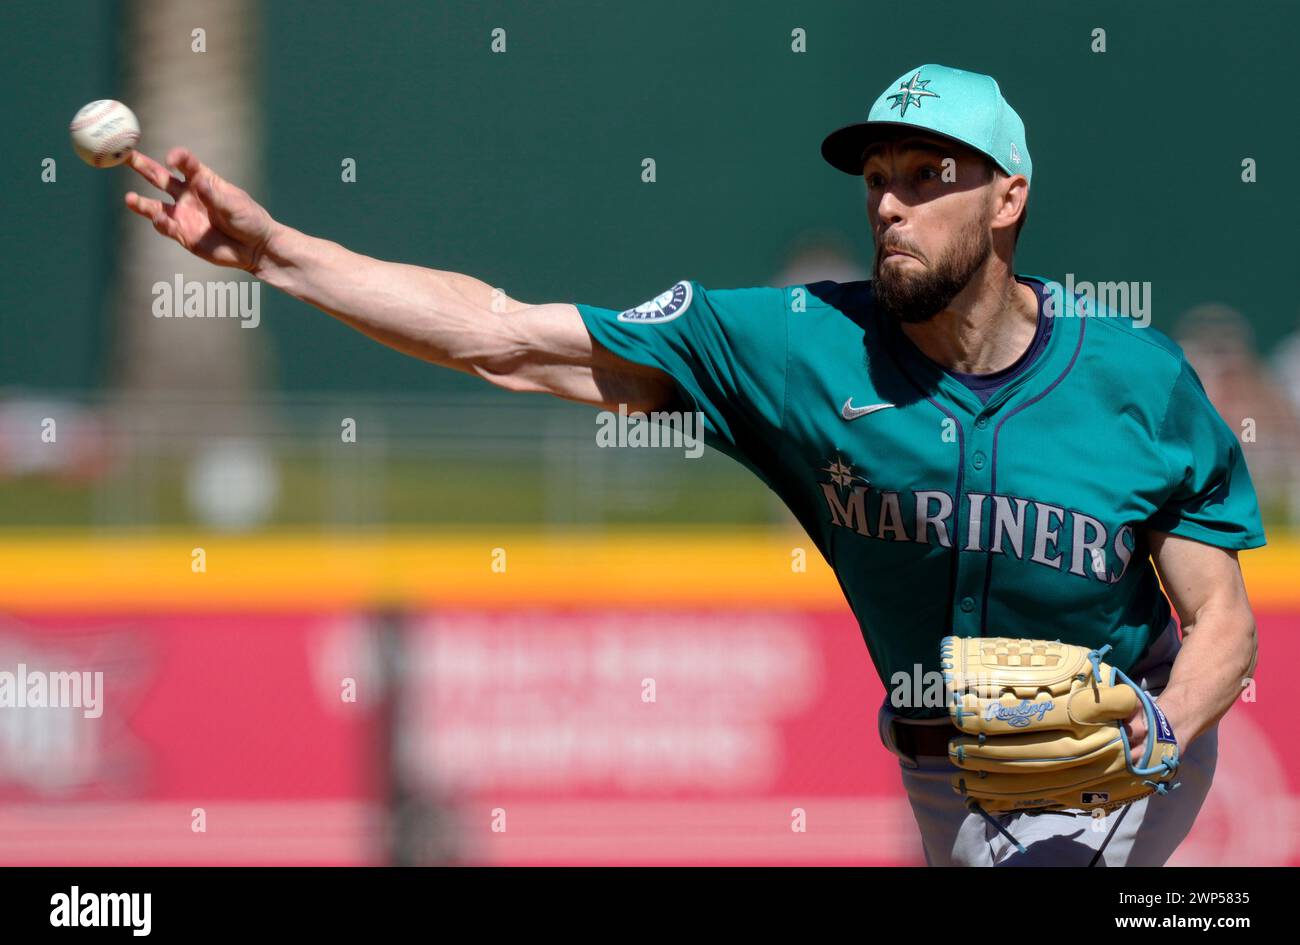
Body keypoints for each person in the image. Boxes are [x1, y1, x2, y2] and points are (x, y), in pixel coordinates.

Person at [123, 63, 1264, 866]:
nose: (889, 201)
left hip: (1117, 762)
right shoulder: (792, 347)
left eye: (929, 174)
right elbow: (506, 336)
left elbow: (1224, 623)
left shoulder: (1133, 379)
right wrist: (279, 255)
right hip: (943, 777)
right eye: (877, 175)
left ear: (1008, 196)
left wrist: (1157, 734)